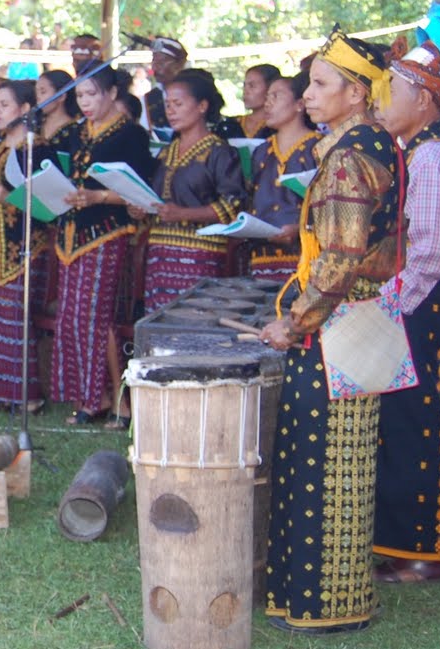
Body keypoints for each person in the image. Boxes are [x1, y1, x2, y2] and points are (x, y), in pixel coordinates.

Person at [259, 32, 402, 635]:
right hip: (358, 316)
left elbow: (340, 259)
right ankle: (324, 597)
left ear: (357, 92)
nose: (307, 95)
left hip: (336, 324)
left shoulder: (349, 156)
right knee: (337, 459)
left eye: (320, 85)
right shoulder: (374, 145)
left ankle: (325, 604)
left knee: (324, 461)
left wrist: (294, 323)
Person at [368, 41, 440, 583]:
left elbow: (435, 247)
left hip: (428, 294)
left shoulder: (433, 155)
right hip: (424, 292)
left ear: (424, 100)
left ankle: (427, 550)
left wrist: (393, 299)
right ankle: (404, 542)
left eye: (392, 90)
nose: (380, 101)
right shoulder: (423, 147)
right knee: (406, 416)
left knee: (421, 419)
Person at [53, 67, 154, 425]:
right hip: (71, 233)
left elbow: (142, 190)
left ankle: (118, 401)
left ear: (112, 94)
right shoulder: (77, 133)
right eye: (80, 97)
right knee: (71, 319)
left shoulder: (131, 135)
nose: (86, 103)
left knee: (96, 317)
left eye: (92, 95)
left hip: (108, 231)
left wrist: (99, 196)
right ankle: (89, 397)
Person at [134, 70, 245, 309]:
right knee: (158, 324)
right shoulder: (167, 151)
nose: (170, 111)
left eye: (178, 104)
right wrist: (142, 210)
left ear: (202, 106)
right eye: (167, 105)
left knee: (192, 324)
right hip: (160, 254)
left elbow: (233, 206)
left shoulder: (219, 151)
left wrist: (183, 214)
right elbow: (158, 198)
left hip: (199, 254)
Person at [0, 80, 46, 414]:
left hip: (20, 246)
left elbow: (49, 206)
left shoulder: (36, 149)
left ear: (25, 110)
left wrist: (10, 196)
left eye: (4, 105)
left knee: (14, 317)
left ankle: (26, 395)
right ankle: (1, 390)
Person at [248, 73, 317, 281]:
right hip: (262, 255)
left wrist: (299, 228)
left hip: (304, 255)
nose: (268, 103)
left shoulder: (319, 148)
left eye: (276, 96)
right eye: (267, 97)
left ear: (299, 104)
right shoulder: (261, 150)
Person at [141, 37, 188, 131]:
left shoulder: (191, 93)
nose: (155, 66)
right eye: (153, 61)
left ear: (178, 65)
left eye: (161, 62)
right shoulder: (148, 98)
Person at [237, 63, 282, 139]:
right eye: (244, 86)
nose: (245, 91)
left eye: (252, 86)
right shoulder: (234, 124)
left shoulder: (278, 126)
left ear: (270, 88)